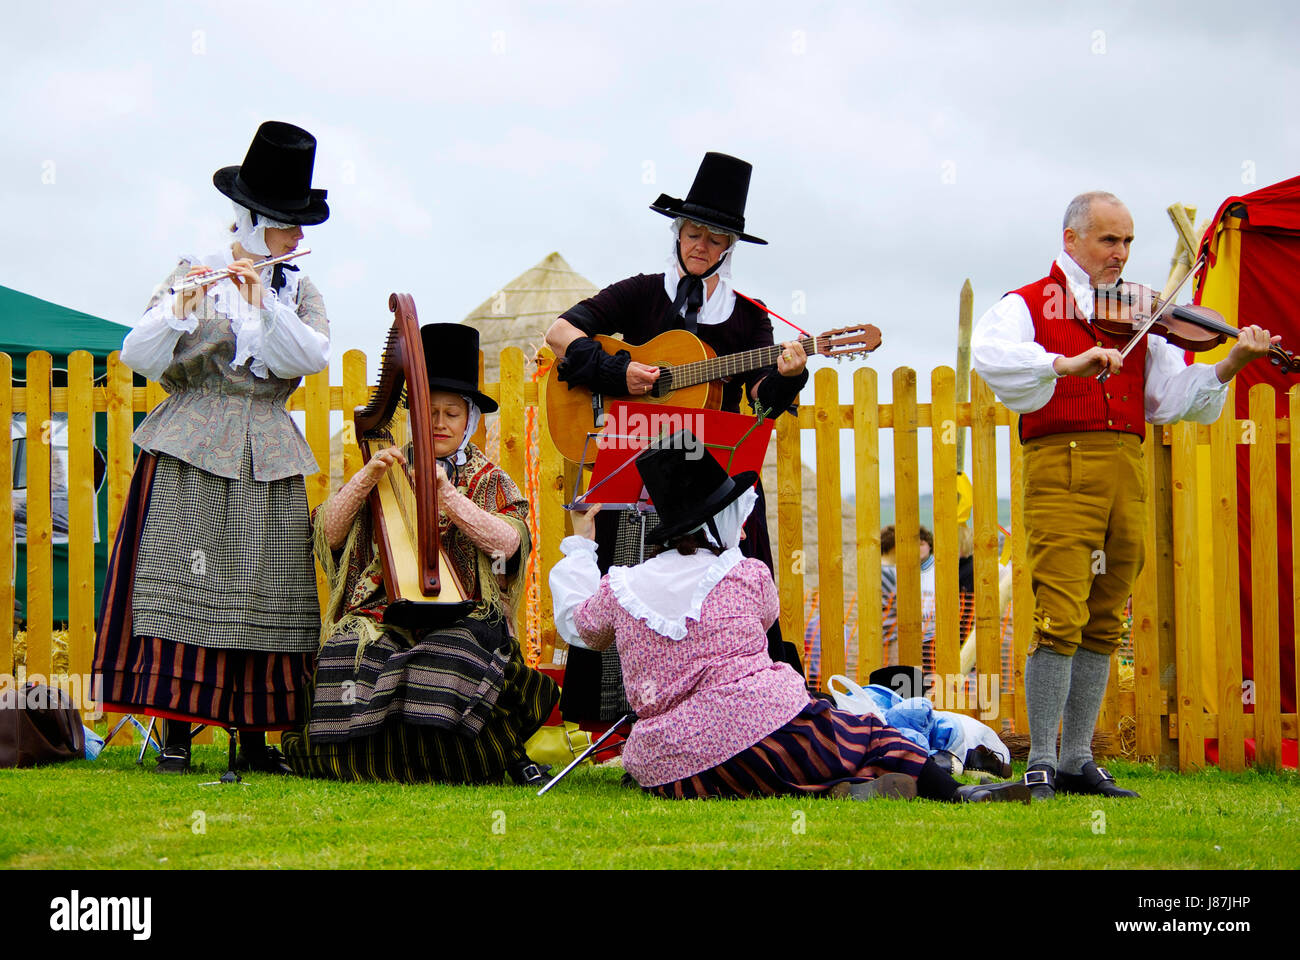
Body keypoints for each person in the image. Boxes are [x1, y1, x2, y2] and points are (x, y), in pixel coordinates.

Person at [971, 190, 1275, 799]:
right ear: (1072, 240)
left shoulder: (1139, 312)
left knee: (1107, 616)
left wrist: (1231, 361)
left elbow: (1165, 397)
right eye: (1110, 240)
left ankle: (1080, 758)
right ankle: (1043, 760)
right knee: (1061, 612)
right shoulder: (1026, 304)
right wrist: (1064, 364)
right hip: (1062, 465)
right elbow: (992, 357)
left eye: (1129, 241)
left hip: (1126, 466)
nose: (1122, 253)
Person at [550, 428, 1029, 803]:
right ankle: (956, 793)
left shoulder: (621, 588)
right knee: (862, 734)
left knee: (751, 772)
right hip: (769, 730)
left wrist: (581, 544)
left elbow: (578, 625)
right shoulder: (745, 574)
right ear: (718, 518)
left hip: (675, 767)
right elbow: (763, 620)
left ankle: (844, 787)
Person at [93, 121, 332, 774]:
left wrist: (265, 302)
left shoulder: (297, 291)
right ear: (253, 220)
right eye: (288, 223)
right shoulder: (193, 271)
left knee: (266, 588)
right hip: (190, 445)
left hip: (268, 450)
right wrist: (180, 307)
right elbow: (137, 355)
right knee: (182, 581)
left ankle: (252, 739)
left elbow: (308, 357)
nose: (299, 238)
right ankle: (176, 733)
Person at [543, 152, 809, 724]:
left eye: (717, 240)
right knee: (622, 581)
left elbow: (760, 403)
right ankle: (608, 721)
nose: (702, 246)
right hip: (634, 459)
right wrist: (618, 374)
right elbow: (559, 332)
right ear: (678, 232)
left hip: (712, 477)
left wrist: (789, 377)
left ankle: (730, 711)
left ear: (730, 247)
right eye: (694, 233)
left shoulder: (749, 320)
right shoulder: (639, 294)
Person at [280, 324, 559, 785]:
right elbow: (327, 536)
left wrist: (448, 497)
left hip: (468, 612)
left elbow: (510, 543)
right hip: (383, 611)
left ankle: (462, 761)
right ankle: (352, 762)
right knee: (349, 649)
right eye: (430, 412)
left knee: (449, 652)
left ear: (469, 420)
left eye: (452, 413)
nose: (440, 423)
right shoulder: (387, 469)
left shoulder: (490, 479)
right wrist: (364, 480)